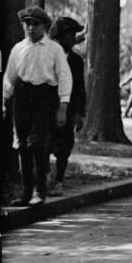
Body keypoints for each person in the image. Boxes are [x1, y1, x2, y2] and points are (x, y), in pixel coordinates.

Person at [3, 6, 71, 206]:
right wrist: (5, 100)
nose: (31, 28)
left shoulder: (54, 49)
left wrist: (63, 106)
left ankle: (39, 190)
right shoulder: (18, 49)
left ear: (45, 27)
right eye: (28, 24)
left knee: (37, 143)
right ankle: (26, 192)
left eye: (36, 24)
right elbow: (10, 76)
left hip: (45, 97)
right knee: (22, 144)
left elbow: (64, 77)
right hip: (22, 98)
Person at [47, 16, 86, 196]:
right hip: (47, 110)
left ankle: (58, 181)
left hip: (68, 111)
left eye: (73, 35)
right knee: (43, 144)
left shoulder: (77, 61)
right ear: (59, 37)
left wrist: (79, 113)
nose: (72, 39)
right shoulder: (47, 57)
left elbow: (80, 88)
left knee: (65, 146)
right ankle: (43, 177)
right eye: (69, 35)